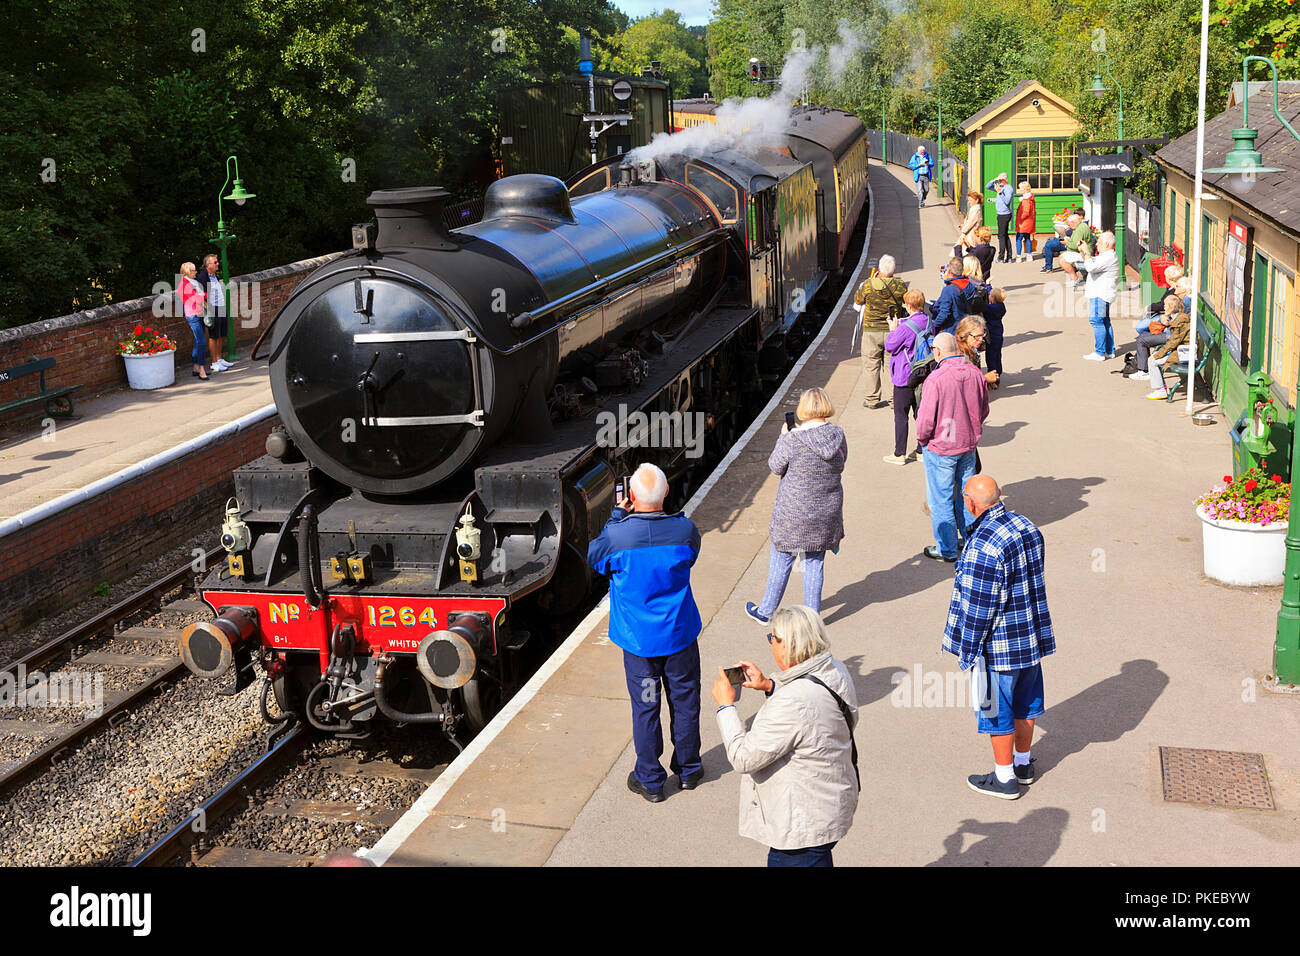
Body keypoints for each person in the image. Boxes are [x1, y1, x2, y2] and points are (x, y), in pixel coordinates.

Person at [588, 463, 703, 802]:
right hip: (680, 638)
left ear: (632, 496)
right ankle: (689, 769)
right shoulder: (685, 531)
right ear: (666, 493)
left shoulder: (616, 535)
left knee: (646, 706)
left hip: (640, 646)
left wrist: (614, 518)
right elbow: (692, 556)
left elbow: (596, 560)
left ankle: (651, 781)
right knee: (684, 702)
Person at [712, 604, 859, 867]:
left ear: (787, 644)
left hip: (802, 827)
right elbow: (821, 712)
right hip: (830, 801)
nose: (771, 644)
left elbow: (743, 758)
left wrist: (726, 707)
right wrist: (770, 685)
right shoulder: (835, 669)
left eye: (773, 638)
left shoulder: (792, 701)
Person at [942, 475, 1054, 800]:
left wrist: (967, 650)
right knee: (1027, 702)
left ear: (970, 504)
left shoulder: (982, 547)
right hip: (1029, 636)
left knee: (996, 710)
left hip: (998, 647)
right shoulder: (1027, 525)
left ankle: (1004, 778)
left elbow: (979, 610)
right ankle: (1022, 765)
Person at [745, 388, 846, 623]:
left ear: (804, 410)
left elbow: (775, 466)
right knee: (814, 562)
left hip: (793, 514)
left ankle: (766, 612)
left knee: (782, 557)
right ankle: (812, 618)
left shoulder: (793, 439)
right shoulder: (838, 435)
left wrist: (784, 437)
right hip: (825, 512)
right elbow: (841, 463)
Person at [916, 332, 988, 561]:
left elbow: (925, 421)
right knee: (966, 496)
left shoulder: (935, 379)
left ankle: (946, 549)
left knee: (941, 499)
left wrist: (923, 440)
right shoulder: (976, 374)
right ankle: (969, 542)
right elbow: (984, 409)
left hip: (941, 448)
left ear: (937, 352)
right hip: (967, 445)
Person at [852, 255, 909, 409]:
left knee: (871, 365)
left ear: (878, 270)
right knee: (891, 365)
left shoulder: (868, 285)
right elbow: (905, 300)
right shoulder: (900, 285)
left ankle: (872, 399)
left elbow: (858, 301)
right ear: (894, 270)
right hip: (893, 330)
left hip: (871, 331)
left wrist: (872, 281)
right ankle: (893, 399)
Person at [883, 288, 930, 464]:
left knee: (901, 416)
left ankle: (899, 454)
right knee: (919, 413)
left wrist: (893, 329)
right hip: (922, 374)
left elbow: (890, 346)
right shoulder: (927, 321)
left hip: (904, 375)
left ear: (908, 306)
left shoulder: (904, 327)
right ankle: (921, 450)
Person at [1143, 296, 1193, 400]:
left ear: (1172, 308)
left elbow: (1173, 342)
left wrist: (1158, 355)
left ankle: (1160, 390)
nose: (1164, 307)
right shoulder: (1177, 318)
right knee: (1153, 358)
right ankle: (1162, 388)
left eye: (1166, 305)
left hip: (1184, 353)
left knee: (1152, 361)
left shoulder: (1180, 322)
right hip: (1179, 350)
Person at [1081, 231, 1119, 362]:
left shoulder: (1107, 257)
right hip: (1104, 293)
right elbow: (1091, 264)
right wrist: (1084, 252)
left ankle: (1100, 352)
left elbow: (1090, 267)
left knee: (1096, 321)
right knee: (1105, 321)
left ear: (1107, 244)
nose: (1096, 243)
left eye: (1099, 241)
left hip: (1100, 294)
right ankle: (1109, 350)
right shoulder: (1107, 255)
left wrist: (1086, 252)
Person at [201, 254, 233, 372]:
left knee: (221, 334)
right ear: (208, 265)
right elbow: (202, 296)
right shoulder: (203, 278)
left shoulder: (214, 276)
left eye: (217, 262)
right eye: (215, 262)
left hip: (221, 307)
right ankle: (214, 362)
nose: (217, 264)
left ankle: (219, 359)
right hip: (212, 309)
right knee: (213, 336)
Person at [934, 258, 980, 336]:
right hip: (964, 326)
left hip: (951, 329)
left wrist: (934, 325)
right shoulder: (970, 285)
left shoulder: (949, 289)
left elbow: (944, 313)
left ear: (949, 271)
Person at [178, 262, 208, 380]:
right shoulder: (184, 284)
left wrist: (201, 295)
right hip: (193, 315)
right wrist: (201, 295)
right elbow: (194, 299)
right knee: (202, 342)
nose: (196, 272)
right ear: (187, 272)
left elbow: (200, 296)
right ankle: (201, 368)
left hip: (200, 313)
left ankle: (195, 367)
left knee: (197, 341)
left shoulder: (193, 282)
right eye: (193, 270)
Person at [955, 315, 999, 389]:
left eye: (982, 335)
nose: (981, 339)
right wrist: (985, 379)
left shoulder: (971, 348)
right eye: (977, 336)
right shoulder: (960, 356)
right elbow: (962, 383)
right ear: (964, 335)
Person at [1059, 211, 1097, 287]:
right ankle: (1075, 278)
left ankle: (1075, 279)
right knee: (1062, 257)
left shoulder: (1080, 229)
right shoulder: (1081, 226)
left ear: (1073, 222)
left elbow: (1075, 246)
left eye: (1069, 225)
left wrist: (1066, 243)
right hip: (1084, 252)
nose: (1069, 227)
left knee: (1062, 260)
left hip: (1085, 254)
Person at [985, 172, 1015, 263]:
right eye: (999, 180)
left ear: (1006, 179)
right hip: (1000, 214)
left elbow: (1007, 201)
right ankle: (1009, 257)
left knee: (1001, 236)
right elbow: (987, 186)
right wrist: (994, 180)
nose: (1000, 181)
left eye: (1002, 179)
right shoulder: (1000, 187)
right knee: (1004, 235)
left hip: (1004, 215)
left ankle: (1001, 257)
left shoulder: (1008, 188)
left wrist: (1000, 192)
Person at [984, 287, 1007, 381]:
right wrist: (988, 285)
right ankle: (998, 372)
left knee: (990, 357)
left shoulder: (990, 308)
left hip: (991, 334)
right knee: (997, 355)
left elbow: (982, 307)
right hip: (998, 333)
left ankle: (993, 376)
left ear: (992, 298)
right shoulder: (1001, 306)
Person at [955, 191, 984, 259]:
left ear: (976, 200)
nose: (969, 202)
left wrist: (963, 228)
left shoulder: (975, 210)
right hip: (970, 235)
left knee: (964, 257)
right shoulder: (974, 209)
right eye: (968, 200)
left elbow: (970, 223)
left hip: (970, 237)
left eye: (970, 200)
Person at [1014, 182, 1035, 262]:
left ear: (1025, 189)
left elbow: (1026, 212)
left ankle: (1018, 257)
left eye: (1021, 188)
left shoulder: (1026, 200)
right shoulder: (1030, 198)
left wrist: (1020, 219)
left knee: (1018, 238)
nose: (1020, 190)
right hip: (1029, 222)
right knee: (1027, 238)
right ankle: (1029, 255)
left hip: (1023, 223)